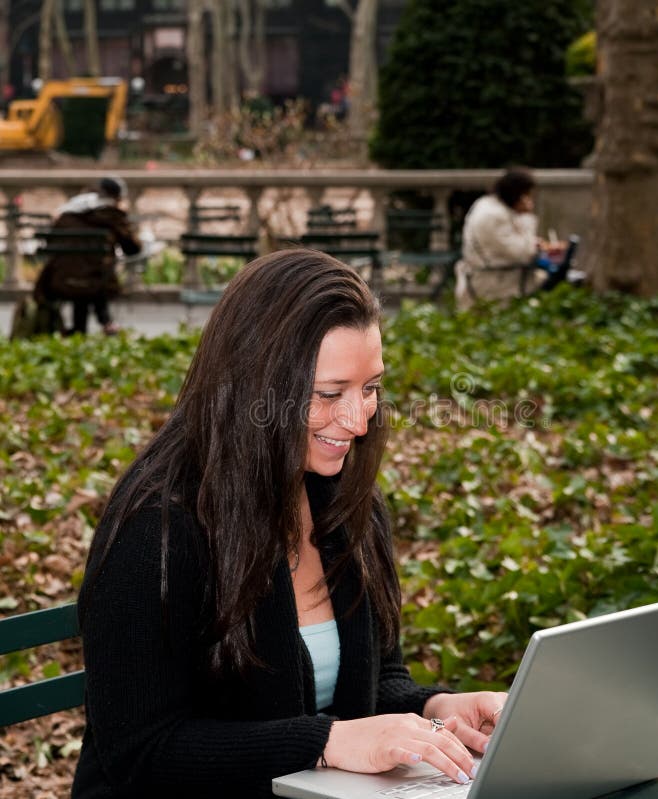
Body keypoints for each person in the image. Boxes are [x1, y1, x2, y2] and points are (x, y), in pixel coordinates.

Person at [72, 249, 507, 798]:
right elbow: (140, 752)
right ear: (256, 387)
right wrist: (323, 742)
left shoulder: (346, 505)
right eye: (329, 395)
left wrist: (437, 709)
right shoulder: (157, 527)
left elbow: (370, 685)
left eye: (370, 389)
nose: (356, 420)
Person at [454, 167, 574, 310]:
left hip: (494, 274)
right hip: (496, 281)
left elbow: (508, 244)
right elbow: (523, 254)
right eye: (528, 195)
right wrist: (527, 216)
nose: (530, 199)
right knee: (557, 281)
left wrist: (536, 244)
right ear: (519, 195)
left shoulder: (488, 204)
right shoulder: (494, 216)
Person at [34, 176, 141, 335]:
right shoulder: (113, 216)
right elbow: (132, 248)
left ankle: (89, 327)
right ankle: (105, 322)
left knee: (84, 272)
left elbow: (50, 242)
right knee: (92, 276)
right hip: (97, 282)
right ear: (117, 197)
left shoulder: (68, 213)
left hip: (59, 280)